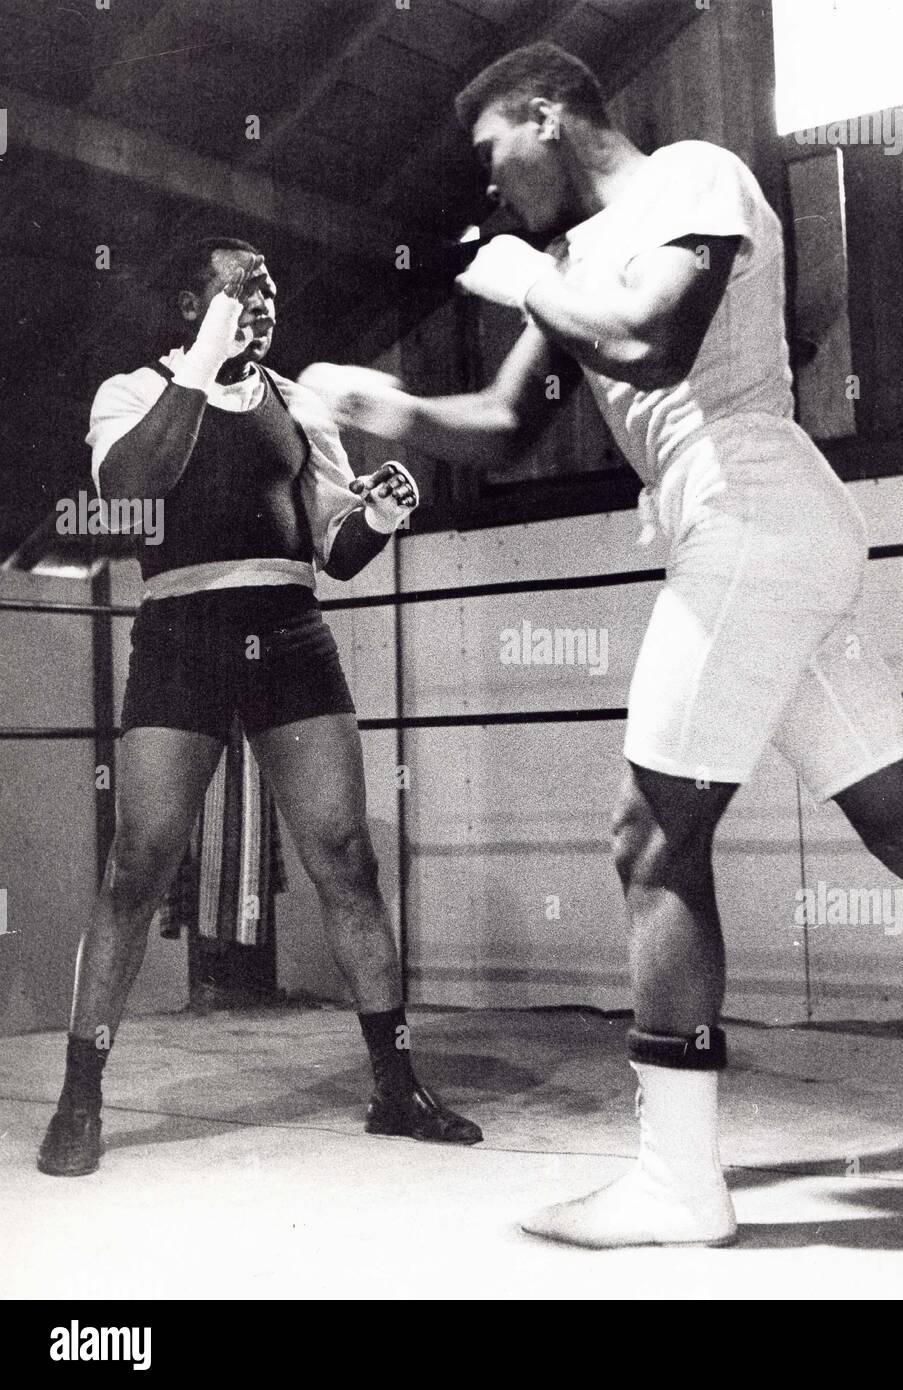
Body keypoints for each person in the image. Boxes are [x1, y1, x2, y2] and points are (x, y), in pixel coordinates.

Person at [299, 44, 903, 1248]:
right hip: (748, 541)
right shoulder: (565, 260)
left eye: (492, 155)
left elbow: (650, 345)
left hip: (748, 511)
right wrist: (375, 403)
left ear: (543, 114)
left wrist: (524, 277)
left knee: (647, 834)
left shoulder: (690, 177)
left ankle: (676, 1184)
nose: (491, 189)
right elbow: (507, 422)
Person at [37, 237, 482, 1178]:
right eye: (240, 288)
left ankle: (394, 1086)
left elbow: (334, 546)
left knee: (344, 856)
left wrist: (381, 516)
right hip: (180, 634)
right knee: (138, 861)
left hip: (288, 630)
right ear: (190, 305)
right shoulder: (130, 393)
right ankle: (81, 1098)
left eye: (270, 284)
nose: (263, 297)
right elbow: (129, 490)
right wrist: (204, 357)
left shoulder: (300, 403)